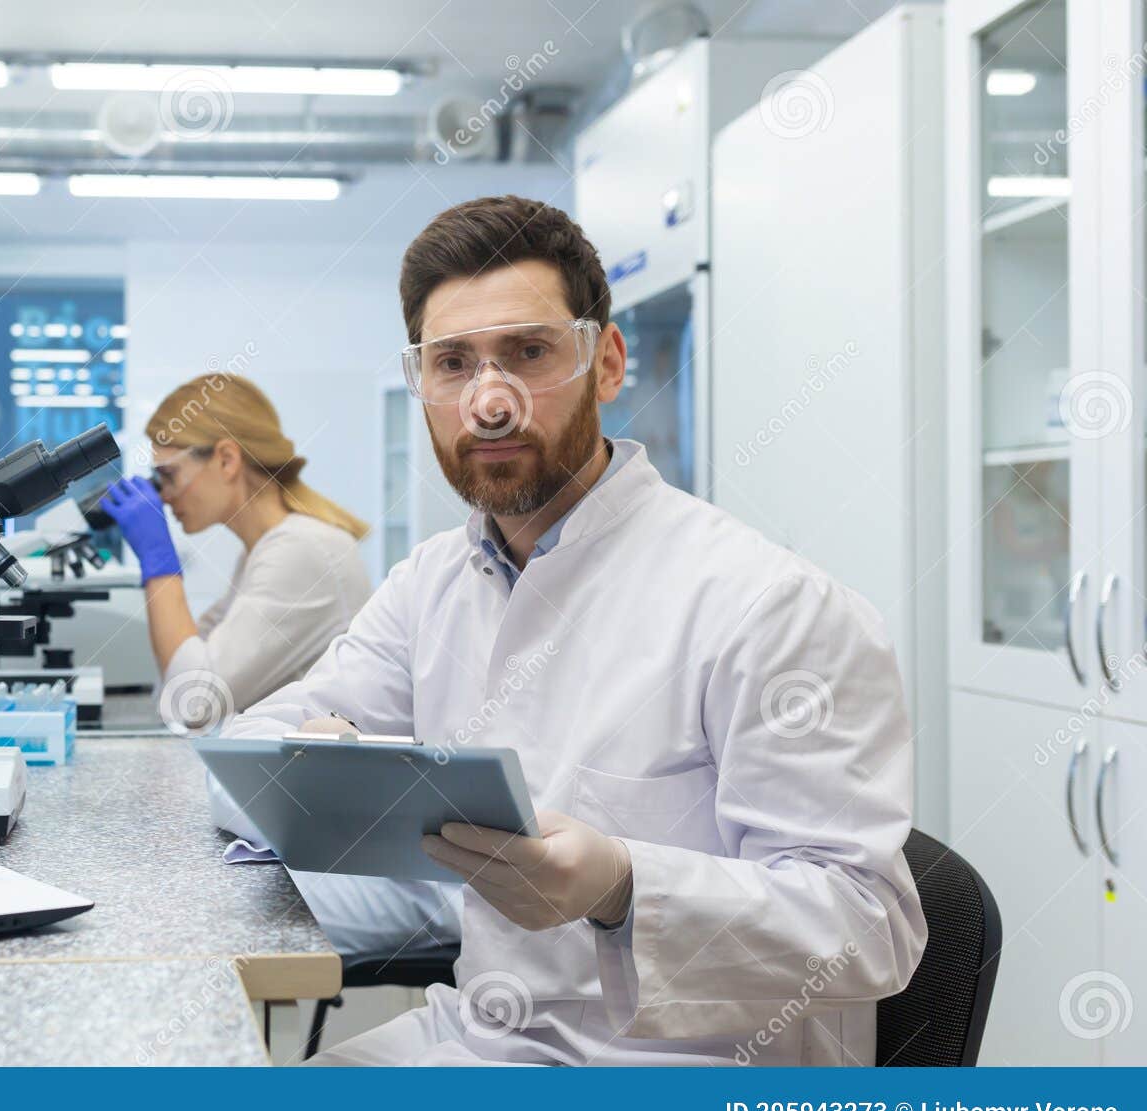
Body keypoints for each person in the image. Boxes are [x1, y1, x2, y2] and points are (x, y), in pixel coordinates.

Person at [221, 195, 928, 1066]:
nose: (490, 402)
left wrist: (624, 883)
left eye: (528, 352)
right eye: (453, 364)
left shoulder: (767, 604)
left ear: (607, 362)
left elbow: (872, 925)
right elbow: (250, 747)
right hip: (483, 1032)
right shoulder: (434, 581)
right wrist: (310, 752)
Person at [99, 374, 462, 959]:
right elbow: (192, 661)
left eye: (168, 477)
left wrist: (158, 564)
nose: (163, 497)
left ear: (225, 458)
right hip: (302, 806)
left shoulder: (301, 550)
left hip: (339, 831)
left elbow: (195, 700)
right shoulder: (266, 550)